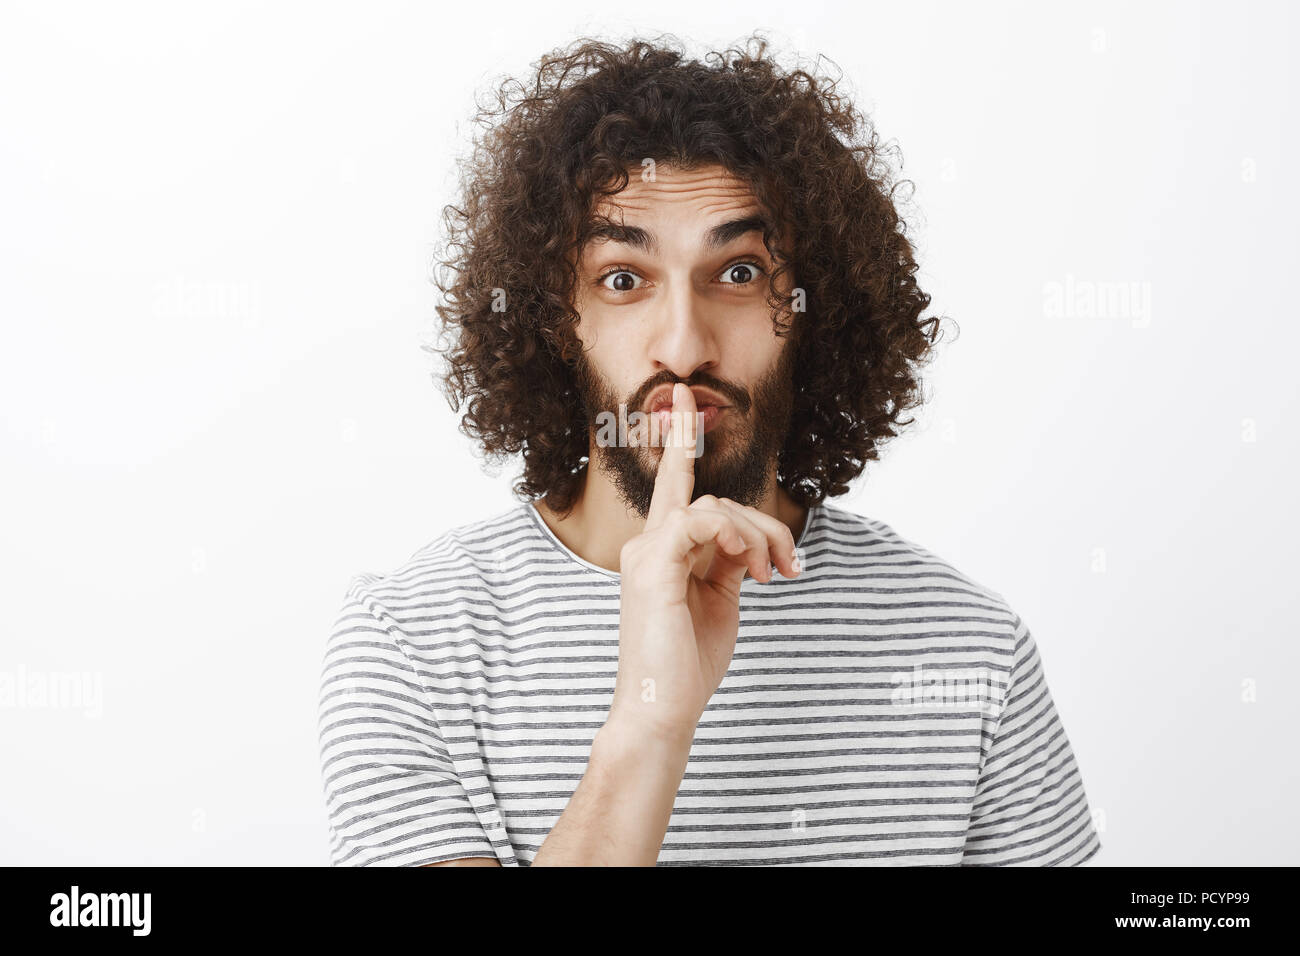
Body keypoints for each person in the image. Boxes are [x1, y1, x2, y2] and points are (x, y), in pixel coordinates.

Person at [317, 34, 1102, 866]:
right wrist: (651, 722)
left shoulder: (968, 647)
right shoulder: (412, 643)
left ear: (810, 309)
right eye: (624, 279)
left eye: (738, 274)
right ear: (558, 319)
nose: (684, 348)